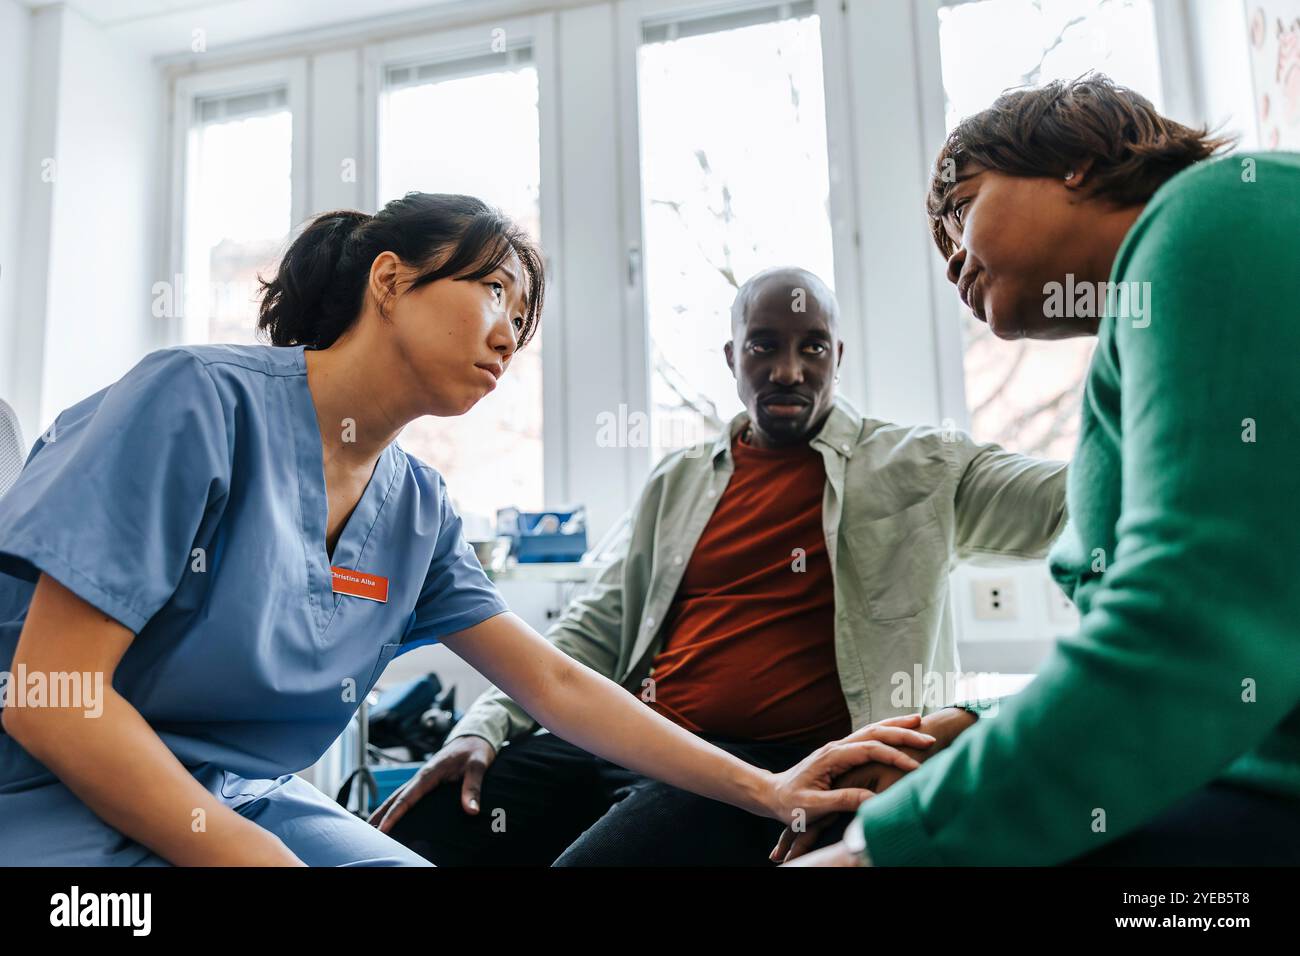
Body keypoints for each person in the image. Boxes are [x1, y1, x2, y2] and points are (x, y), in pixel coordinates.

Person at [0, 195, 928, 867]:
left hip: (236, 795)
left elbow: (560, 683)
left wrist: (769, 788)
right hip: (46, 788)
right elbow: (49, 697)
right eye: (493, 292)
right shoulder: (195, 402)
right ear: (391, 281)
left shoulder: (416, 510)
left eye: (521, 325)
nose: (507, 338)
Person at [372, 266, 1068, 866]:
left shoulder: (923, 466)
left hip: (769, 767)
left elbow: (1077, 499)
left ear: (838, 356)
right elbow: (590, 632)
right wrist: (480, 726)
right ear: (734, 357)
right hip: (637, 738)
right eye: (765, 347)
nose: (789, 371)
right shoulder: (679, 481)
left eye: (812, 349)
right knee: (416, 836)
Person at [786, 75, 1300, 866]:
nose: (954, 258)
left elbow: (1190, 628)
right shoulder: (1142, 331)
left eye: (962, 211)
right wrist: (969, 727)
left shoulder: (1216, 214)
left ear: (1079, 160)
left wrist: (880, 853)